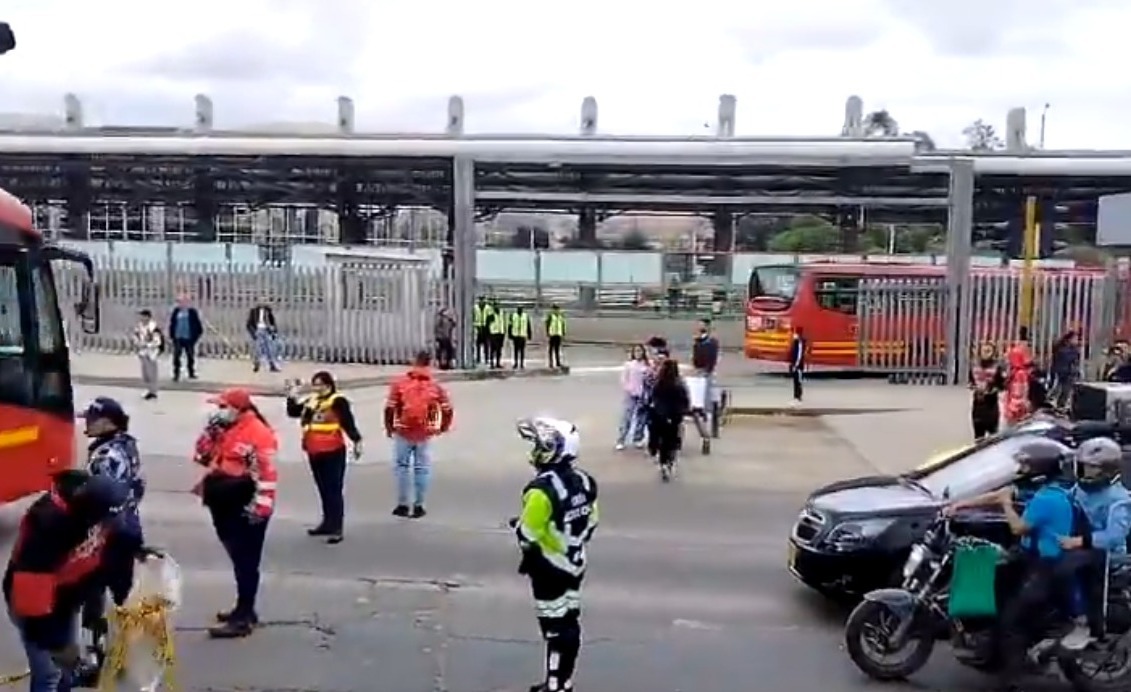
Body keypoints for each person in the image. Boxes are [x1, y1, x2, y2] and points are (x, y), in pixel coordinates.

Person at [945, 440, 1082, 691]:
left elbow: (1018, 527)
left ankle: (1015, 678)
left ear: (1038, 469)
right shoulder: (1042, 489)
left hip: (1048, 567)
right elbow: (1000, 494)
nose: (1021, 469)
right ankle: (986, 646)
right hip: (1030, 557)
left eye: (1025, 465)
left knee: (1012, 622)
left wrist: (1007, 505)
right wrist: (960, 505)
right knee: (998, 582)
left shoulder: (1048, 499)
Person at [4, 471, 140, 692]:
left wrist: (111, 602)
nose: (109, 526)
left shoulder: (107, 509)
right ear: (87, 514)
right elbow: (32, 600)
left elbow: (115, 549)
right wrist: (58, 646)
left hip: (66, 595)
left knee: (66, 672)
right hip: (33, 603)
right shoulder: (48, 525)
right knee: (50, 673)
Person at [511, 417, 599, 692]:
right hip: (575, 563)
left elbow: (528, 533)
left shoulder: (541, 489)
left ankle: (555, 686)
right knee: (570, 621)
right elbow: (591, 520)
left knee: (554, 628)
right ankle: (565, 680)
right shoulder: (585, 481)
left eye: (538, 445)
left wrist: (529, 535)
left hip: (548, 568)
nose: (534, 451)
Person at [192, 387, 279, 638]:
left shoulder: (258, 434)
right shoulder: (226, 430)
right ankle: (244, 609)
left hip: (246, 505)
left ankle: (243, 617)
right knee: (238, 558)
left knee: (246, 562)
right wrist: (209, 433)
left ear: (239, 409)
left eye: (222, 407)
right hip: (224, 503)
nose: (218, 412)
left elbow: (267, 473)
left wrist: (260, 508)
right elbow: (202, 457)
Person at [76, 396, 145, 677]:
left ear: (107, 422)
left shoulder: (106, 457)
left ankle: (96, 658)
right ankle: (126, 653)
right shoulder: (127, 446)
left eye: (92, 419)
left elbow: (98, 498)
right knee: (122, 596)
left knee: (92, 595)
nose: (87, 424)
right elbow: (137, 487)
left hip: (107, 535)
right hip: (128, 529)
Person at [1058, 437, 1131, 649]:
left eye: (1090, 468)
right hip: (1079, 548)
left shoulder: (1120, 500)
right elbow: (1066, 500)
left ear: (1105, 470)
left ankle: (1083, 621)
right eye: (1082, 466)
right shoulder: (1081, 490)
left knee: (1066, 570)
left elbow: (1114, 536)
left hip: (1107, 557)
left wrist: (1080, 541)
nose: (1083, 472)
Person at [286, 372, 362, 544]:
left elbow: (348, 423)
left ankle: (337, 527)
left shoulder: (337, 401)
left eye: (319, 384)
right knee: (322, 489)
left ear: (328, 385)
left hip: (333, 451)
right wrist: (292, 395)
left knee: (333, 490)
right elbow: (293, 412)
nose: (316, 388)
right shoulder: (312, 401)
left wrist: (357, 441)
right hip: (315, 451)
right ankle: (327, 522)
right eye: (315, 384)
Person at [385, 351, 454, 518]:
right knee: (421, 468)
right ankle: (419, 505)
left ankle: (402, 504)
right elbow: (447, 409)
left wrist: (389, 427)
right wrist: (443, 427)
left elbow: (389, 408)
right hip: (424, 432)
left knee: (402, 467)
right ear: (430, 363)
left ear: (413, 361)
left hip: (403, 430)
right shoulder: (435, 386)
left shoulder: (400, 383)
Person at [648, 358, 690, 476]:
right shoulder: (679, 384)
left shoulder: (658, 383)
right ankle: (670, 462)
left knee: (661, 440)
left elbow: (653, 399)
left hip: (660, 416)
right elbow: (684, 401)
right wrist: (683, 412)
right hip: (674, 416)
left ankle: (662, 462)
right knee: (672, 440)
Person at [615, 345, 649, 451]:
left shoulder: (647, 365)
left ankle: (638, 438)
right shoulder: (629, 365)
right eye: (636, 351)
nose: (638, 353)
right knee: (626, 417)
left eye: (640, 351)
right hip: (631, 395)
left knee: (642, 418)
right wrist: (630, 389)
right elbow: (624, 380)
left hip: (643, 395)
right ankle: (621, 439)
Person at [969, 342, 1006, 440]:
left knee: (993, 437)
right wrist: (975, 387)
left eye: (988, 351)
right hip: (978, 405)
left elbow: (1002, 385)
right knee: (978, 437)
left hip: (991, 405)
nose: (986, 353)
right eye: (984, 350)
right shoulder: (974, 366)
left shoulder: (997, 368)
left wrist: (993, 390)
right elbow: (971, 382)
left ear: (993, 353)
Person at [168, 295, 203, 382]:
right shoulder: (176, 312)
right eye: (180, 302)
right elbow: (172, 323)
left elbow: (198, 325)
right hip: (178, 337)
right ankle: (176, 373)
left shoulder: (192, 312)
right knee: (176, 356)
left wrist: (195, 336)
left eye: (184, 302)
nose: (181, 304)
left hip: (189, 338)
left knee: (190, 356)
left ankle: (191, 372)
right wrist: (171, 335)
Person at [133, 309, 163, 401]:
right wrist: (137, 343)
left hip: (151, 353)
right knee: (145, 373)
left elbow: (157, 341)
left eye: (143, 316)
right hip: (143, 352)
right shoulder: (139, 327)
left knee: (152, 373)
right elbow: (135, 337)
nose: (142, 318)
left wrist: (147, 345)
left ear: (148, 317)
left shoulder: (153, 327)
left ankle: (153, 391)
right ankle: (148, 389)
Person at [245, 300, 280, 373]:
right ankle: (257, 364)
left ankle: (272, 365)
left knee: (269, 349)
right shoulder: (254, 311)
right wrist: (253, 333)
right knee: (258, 348)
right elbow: (249, 324)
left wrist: (274, 332)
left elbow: (272, 322)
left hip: (266, 330)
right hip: (258, 330)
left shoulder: (268, 311)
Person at [1050, 331, 1081, 410]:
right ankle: (1058, 405)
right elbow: (1067, 360)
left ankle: (1060, 405)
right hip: (1064, 373)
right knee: (1062, 390)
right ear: (1069, 339)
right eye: (1075, 339)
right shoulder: (1064, 350)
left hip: (1067, 373)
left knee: (1065, 391)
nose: (1077, 341)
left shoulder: (1069, 349)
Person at [788, 326, 807, 405]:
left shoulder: (800, 343)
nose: (793, 334)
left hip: (798, 366)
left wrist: (796, 365)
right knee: (795, 382)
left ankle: (798, 398)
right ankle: (796, 397)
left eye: (795, 333)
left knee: (798, 382)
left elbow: (799, 355)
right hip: (795, 365)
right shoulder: (796, 342)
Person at [473, 296, 493, 365]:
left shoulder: (488, 308)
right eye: (480, 300)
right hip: (478, 327)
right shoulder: (475, 307)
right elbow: (473, 316)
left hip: (485, 328)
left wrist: (488, 325)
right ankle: (478, 358)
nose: (481, 301)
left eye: (483, 300)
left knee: (486, 345)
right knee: (478, 345)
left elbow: (491, 318)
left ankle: (486, 358)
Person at [545, 304, 566, 369]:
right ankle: (551, 363)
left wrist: (563, 332)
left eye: (557, 309)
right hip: (552, 334)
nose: (556, 310)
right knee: (551, 349)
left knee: (557, 349)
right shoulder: (550, 316)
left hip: (558, 334)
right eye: (555, 309)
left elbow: (563, 324)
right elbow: (547, 324)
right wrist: (548, 332)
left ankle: (558, 362)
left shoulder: (561, 316)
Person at [488, 302, 506, 369]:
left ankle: (498, 363)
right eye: (495, 306)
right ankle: (492, 363)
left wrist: (503, 332)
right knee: (493, 350)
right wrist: (489, 334)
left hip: (500, 334)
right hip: (493, 334)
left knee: (499, 349)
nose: (497, 307)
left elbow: (503, 323)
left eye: (498, 306)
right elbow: (488, 325)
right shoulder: (491, 315)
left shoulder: (502, 314)